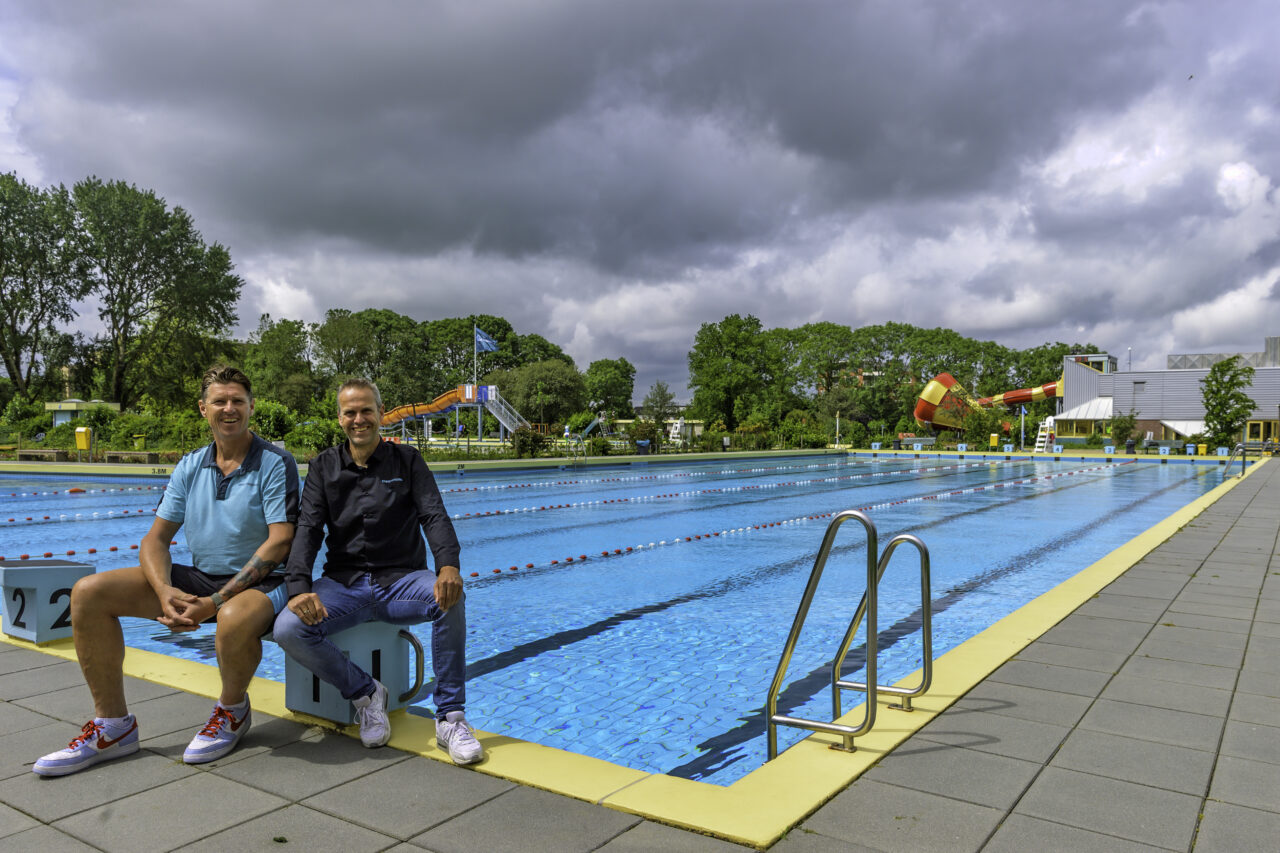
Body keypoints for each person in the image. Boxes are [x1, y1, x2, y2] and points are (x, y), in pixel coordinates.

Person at [33, 365, 299, 776]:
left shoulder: (275, 463)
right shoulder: (191, 465)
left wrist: (214, 601)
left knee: (230, 615)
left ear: (250, 407)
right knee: (88, 591)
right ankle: (113, 726)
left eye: (237, 401)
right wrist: (163, 591)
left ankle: (232, 710)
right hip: (201, 575)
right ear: (203, 409)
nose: (229, 409)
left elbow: (280, 542)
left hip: (267, 583)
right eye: (220, 401)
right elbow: (155, 540)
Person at [273, 378, 483, 765]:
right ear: (339, 418)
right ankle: (366, 693)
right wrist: (299, 586)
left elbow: (433, 515)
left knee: (450, 599)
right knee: (288, 627)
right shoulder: (323, 467)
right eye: (350, 412)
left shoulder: (408, 460)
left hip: (401, 581)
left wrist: (448, 566)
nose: (359, 419)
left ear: (381, 414)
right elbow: (307, 530)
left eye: (366, 410)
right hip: (344, 583)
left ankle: (450, 717)